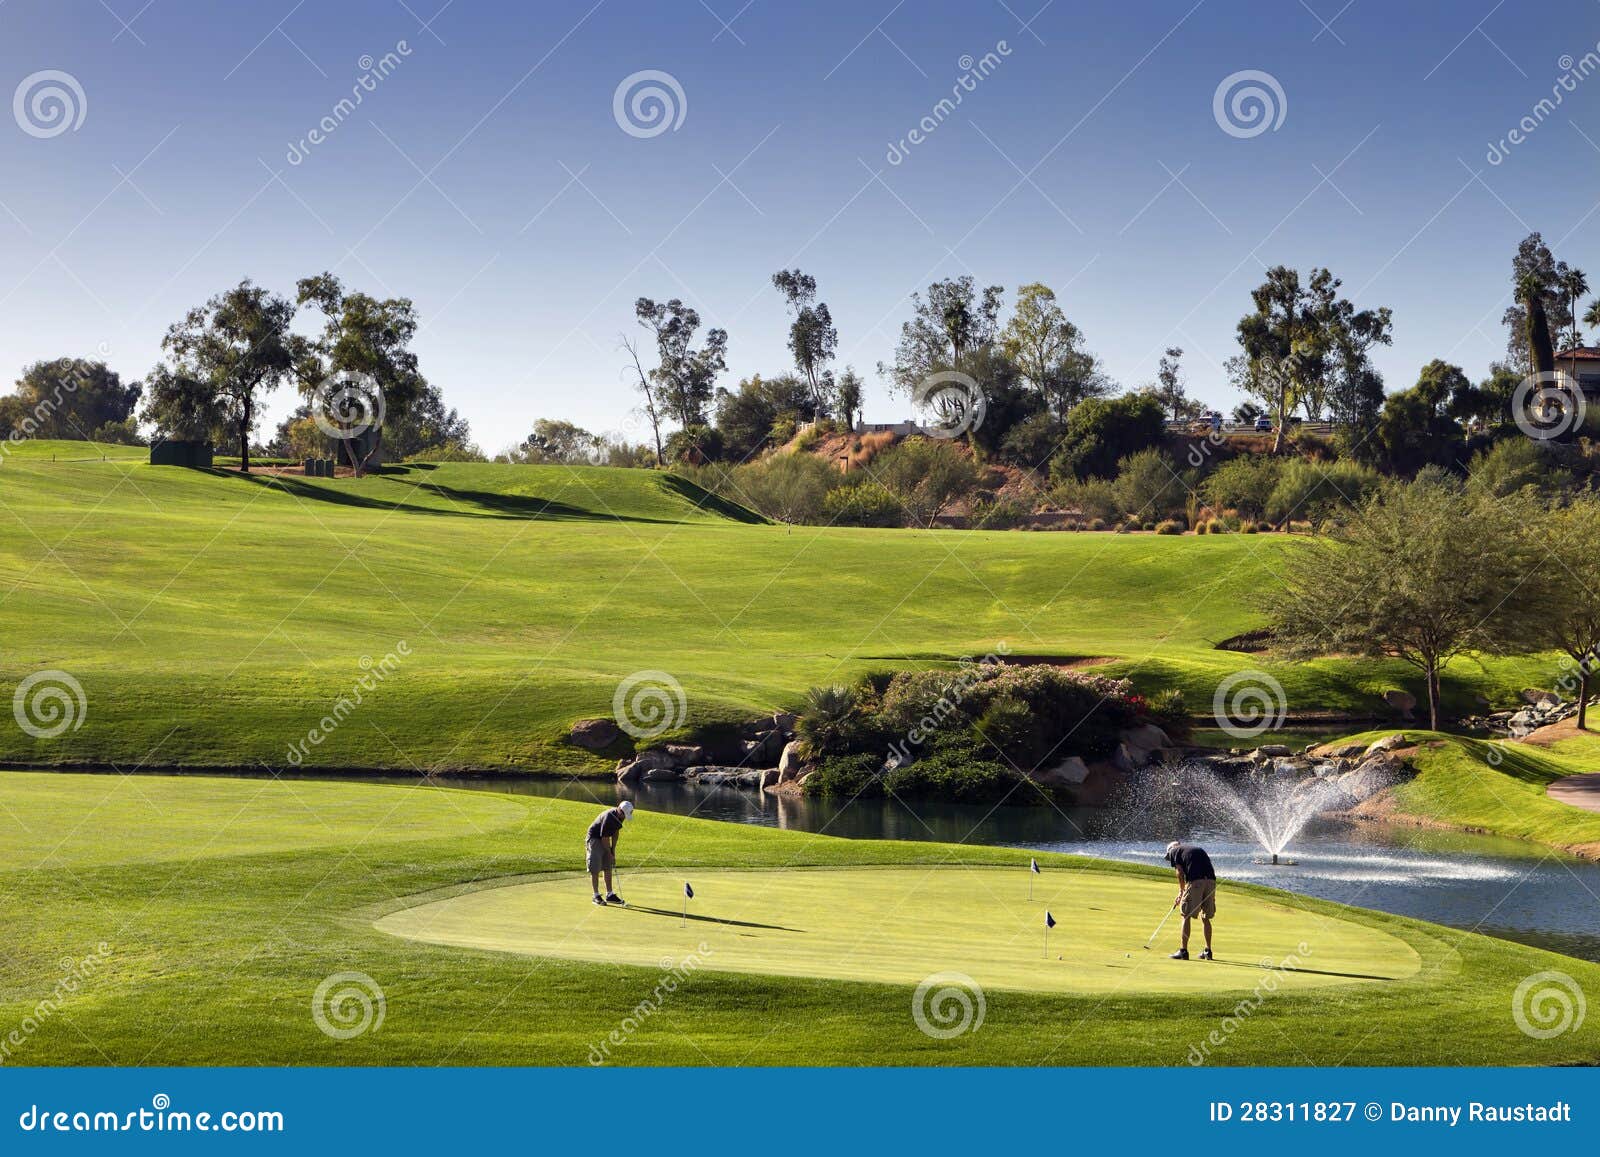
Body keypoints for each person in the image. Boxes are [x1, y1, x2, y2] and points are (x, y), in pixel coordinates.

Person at [1164, 839, 1216, 960]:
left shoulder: (1174, 851)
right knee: (1206, 917)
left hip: (1196, 881)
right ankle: (1208, 951)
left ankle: (1183, 951)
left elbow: (1179, 872)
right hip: (1211, 882)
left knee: (1185, 915)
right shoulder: (1193, 849)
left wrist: (1181, 891)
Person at [587, 801, 634, 906]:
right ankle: (596, 895)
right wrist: (609, 853)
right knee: (595, 867)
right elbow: (604, 838)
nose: (624, 818)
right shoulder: (609, 817)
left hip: (604, 839)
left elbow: (615, 833)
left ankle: (610, 894)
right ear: (620, 810)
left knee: (608, 866)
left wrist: (613, 850)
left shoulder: (621, 817)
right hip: (595, 839)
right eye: (624, 815)